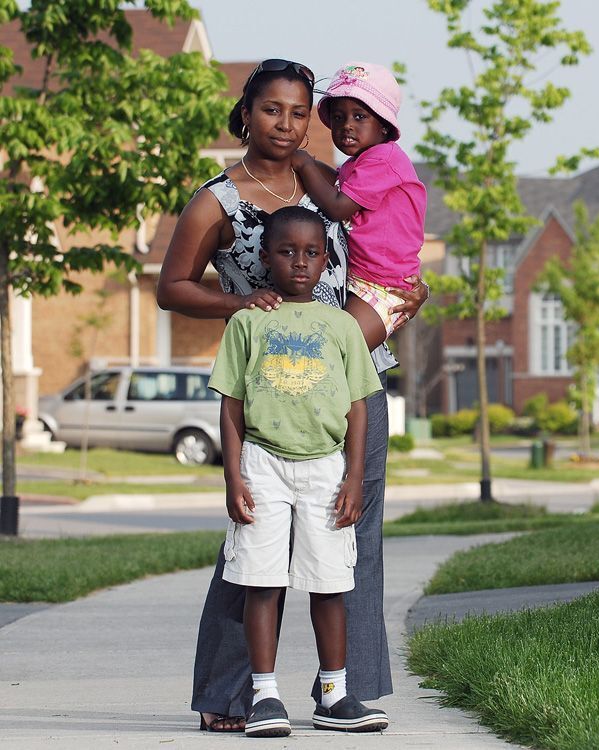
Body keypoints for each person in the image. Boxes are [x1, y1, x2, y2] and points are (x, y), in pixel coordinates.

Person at [156, 58, 428, 733]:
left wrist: (396, 306)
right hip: (271, 400)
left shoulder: (329, 185)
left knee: (351, 536)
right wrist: (242, 303)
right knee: (254, 547)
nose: (288, 123)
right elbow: (171, 287)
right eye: (273, 109)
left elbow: (378, 257)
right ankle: (228, 693)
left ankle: (346, 691)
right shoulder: (216, 200)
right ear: (245, 112)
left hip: (353, 384)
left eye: (301, 112)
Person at [210, 206, 388, 737]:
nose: (300, 263)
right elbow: (232, 405)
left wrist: (354, 477)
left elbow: (358, 407)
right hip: (263, 465)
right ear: (266, 258)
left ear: (327, 258)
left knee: (329, 583)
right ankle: (264, 695)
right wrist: (233, 477)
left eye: (312, 253)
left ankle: (334, 695)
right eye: (287, 252)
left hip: (326, 470)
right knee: (262, 582)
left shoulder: (342, 326)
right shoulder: (248, 321)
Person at [292, 61, 426, 351]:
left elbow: (338, 206)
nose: (346, 125)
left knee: (338, 349)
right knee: (335, 355)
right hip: (358, 279)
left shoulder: (384, 159)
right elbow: (334, 181)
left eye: (359, 116)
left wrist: (303, 162)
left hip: (384, 287)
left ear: (384, 126)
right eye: (338, 117)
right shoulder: (359, 163)